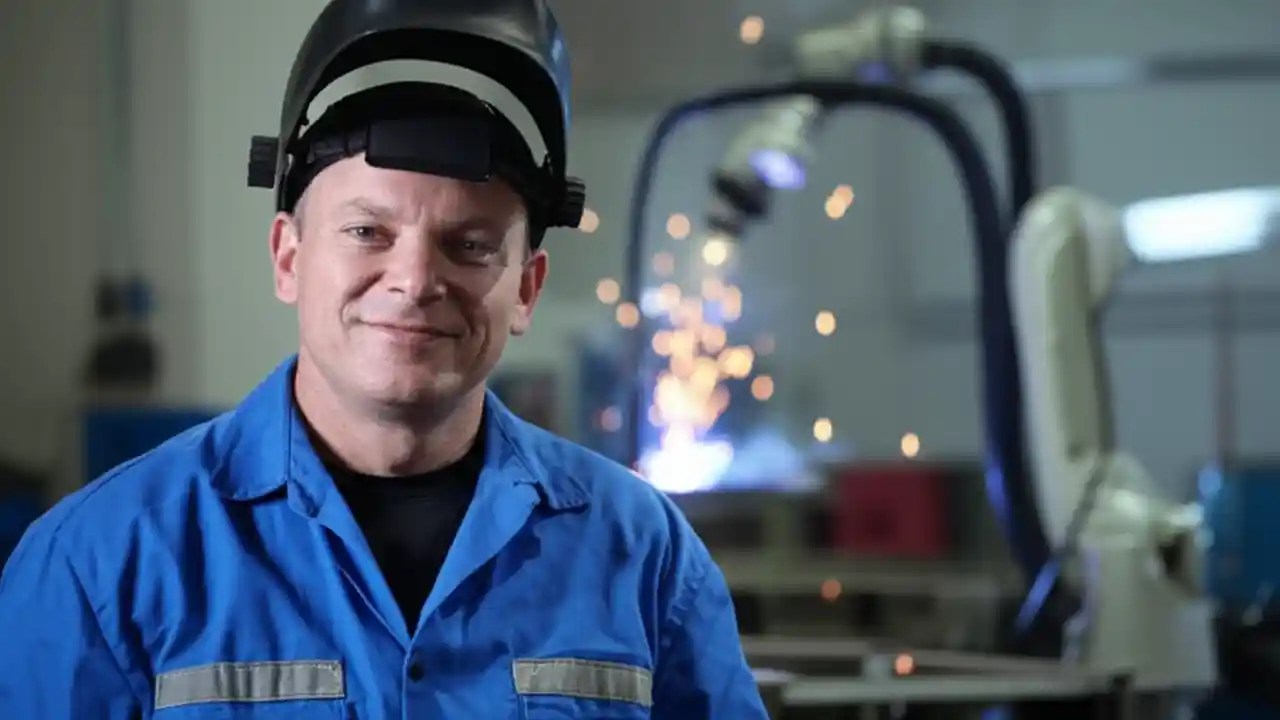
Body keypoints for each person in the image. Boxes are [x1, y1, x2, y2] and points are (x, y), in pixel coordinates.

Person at [0, 0, 770, 717]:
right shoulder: (100, 562)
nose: (415, 281)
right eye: (367, 232)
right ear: (287, 257)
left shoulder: (646, 559)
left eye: (469, 245)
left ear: (527, 289)